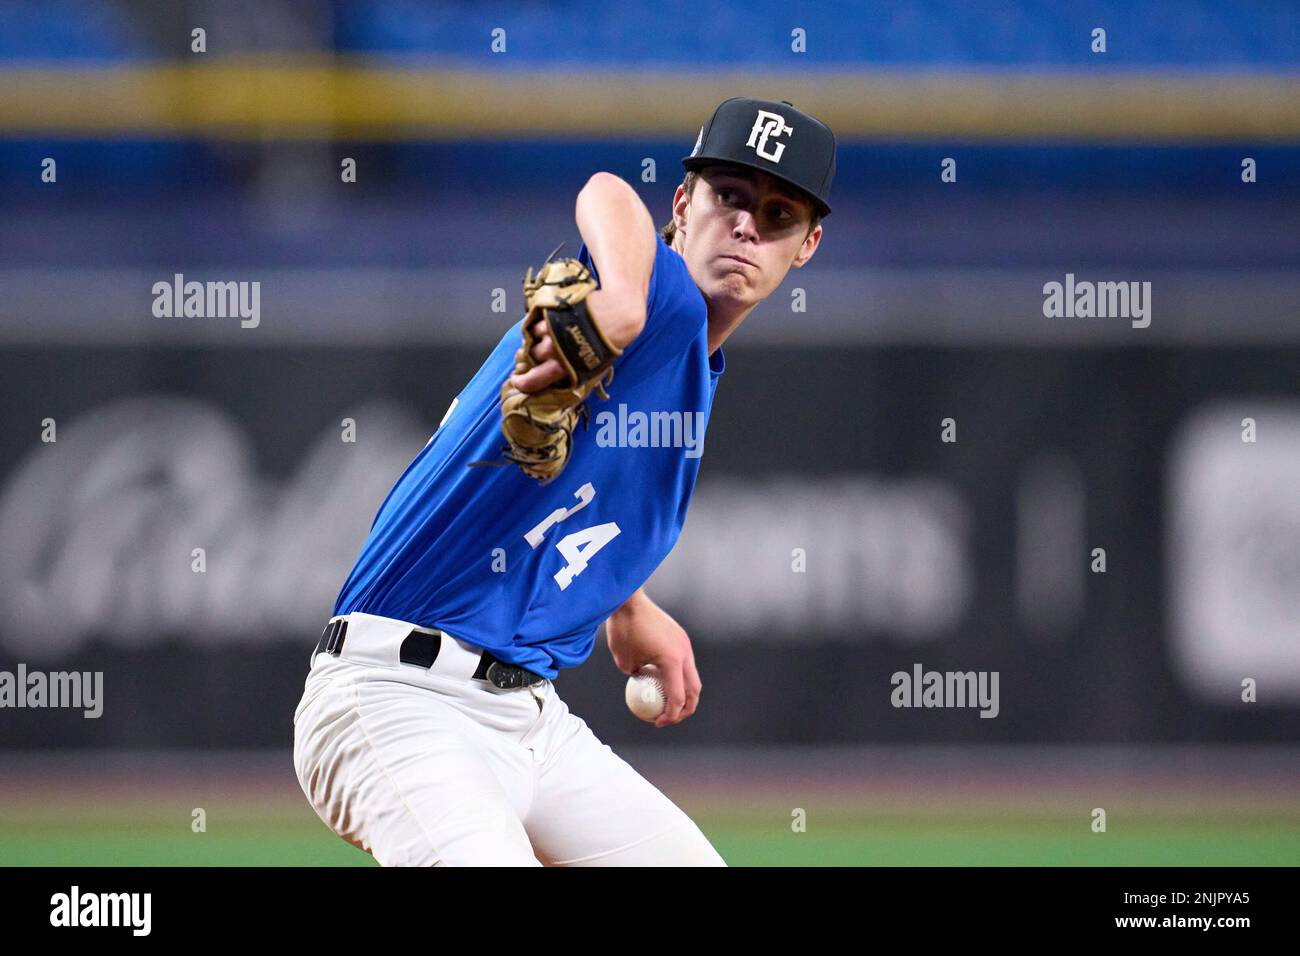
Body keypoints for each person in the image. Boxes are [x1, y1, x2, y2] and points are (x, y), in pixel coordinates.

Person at [292, 97, 835, 866]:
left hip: (530, 724)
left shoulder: (689, 367)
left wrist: (628, 606)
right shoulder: (657, 298)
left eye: (778, 214)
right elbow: (607, 189)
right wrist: (617, 293)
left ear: (805, 247)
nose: (747, 225)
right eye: (729, 197)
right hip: (396, 700)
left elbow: (578, 497)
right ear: (683, 204)